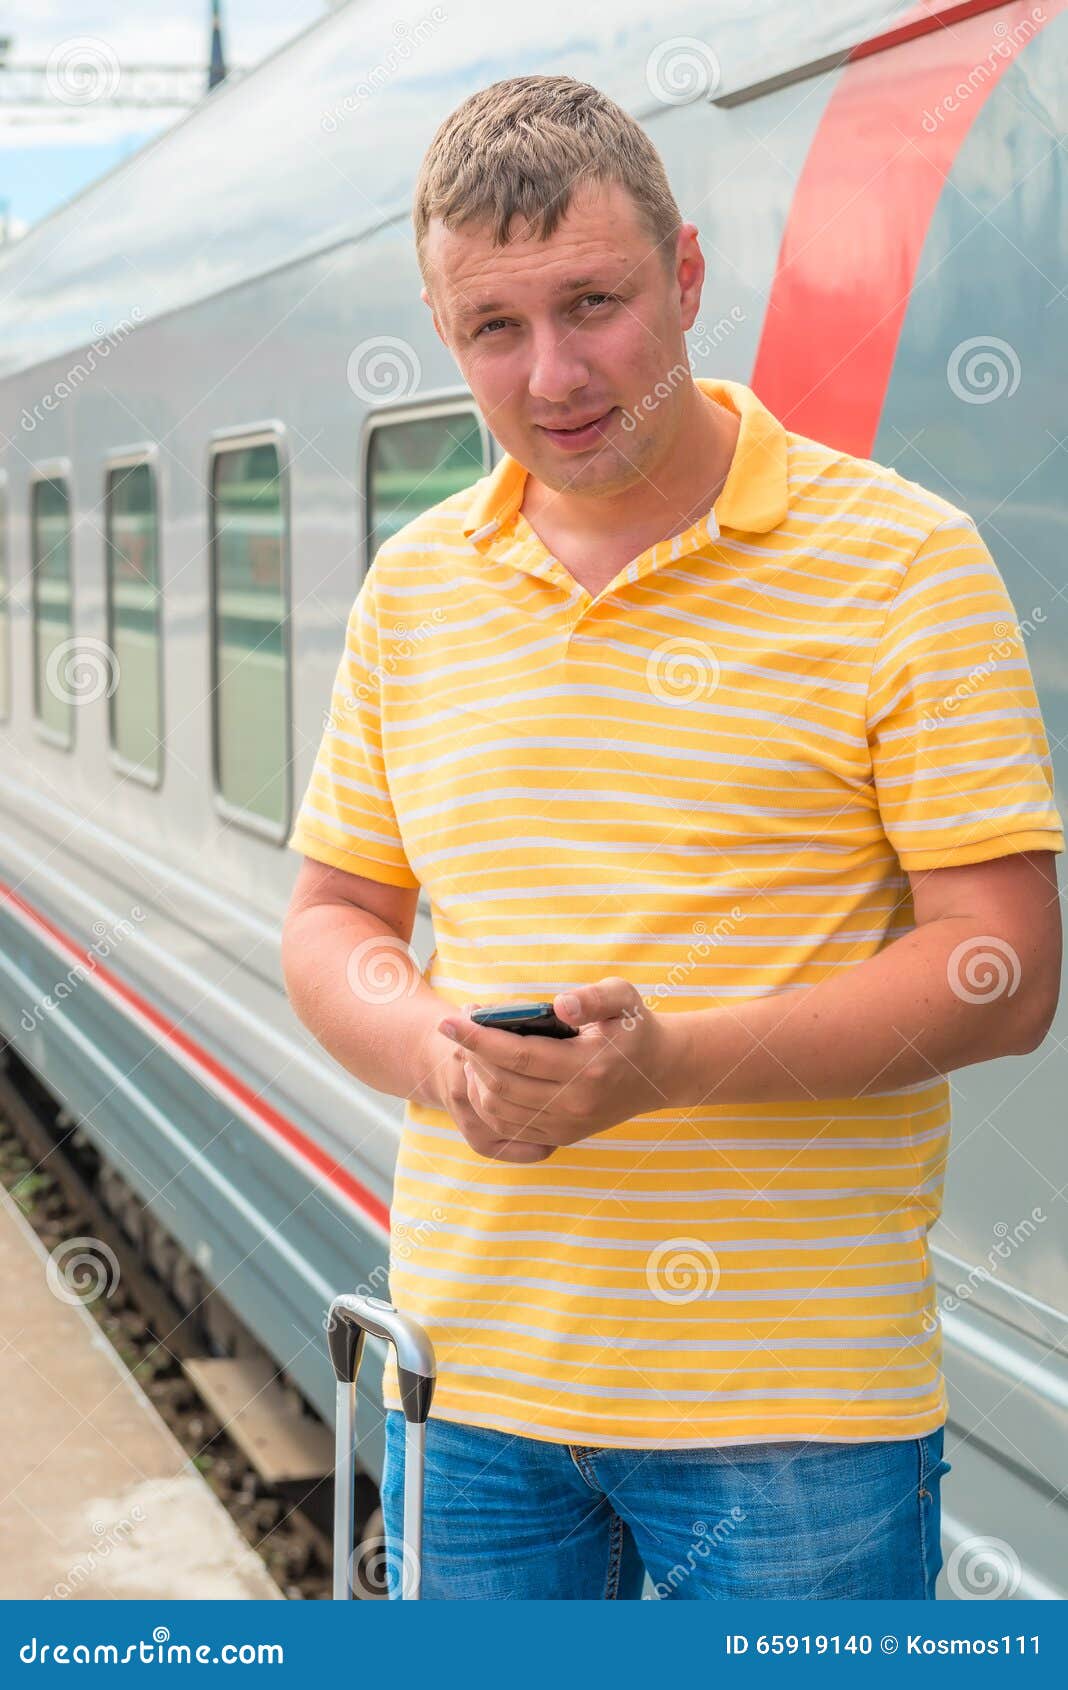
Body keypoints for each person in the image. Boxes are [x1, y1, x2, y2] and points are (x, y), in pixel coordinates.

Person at [281, 74, 1063, 1600]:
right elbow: (332, 924)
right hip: (471, 1376)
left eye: (595, 302)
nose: (554, 372)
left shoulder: (904, 563)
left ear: (688, 275)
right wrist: (437, 1045)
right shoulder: (416, 586)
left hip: (794, 1415)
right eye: (493, 328)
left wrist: (667, 1070)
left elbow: (1008, 968)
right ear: (447, 334)